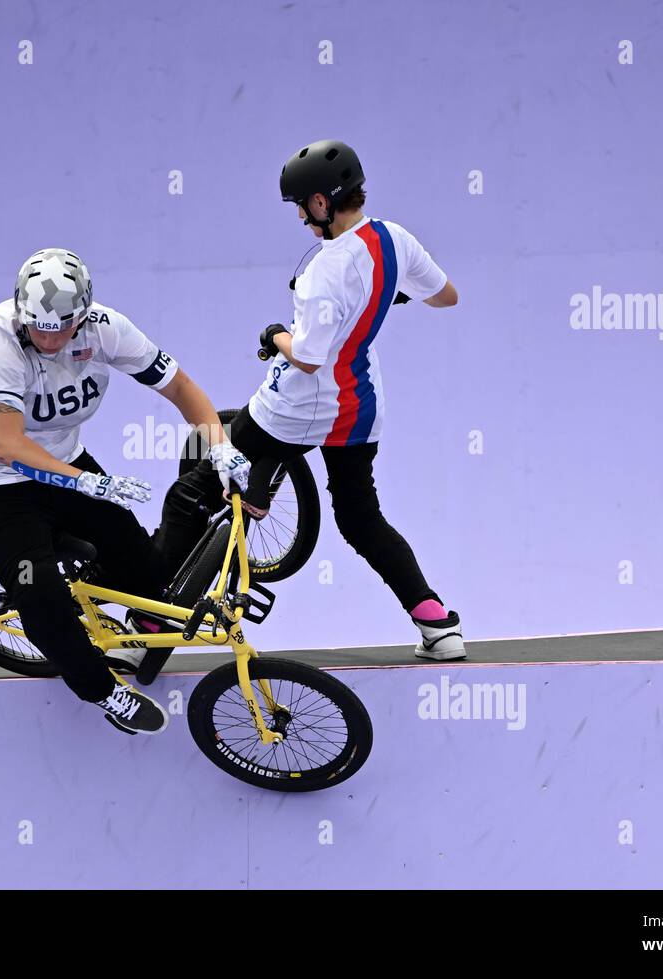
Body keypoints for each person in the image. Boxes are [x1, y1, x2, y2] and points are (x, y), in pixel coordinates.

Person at [154, 139, 467, 660]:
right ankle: (438, 626)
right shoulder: (394, 239)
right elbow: (445, 296)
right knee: (362, 520)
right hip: (359, 409)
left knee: (194, 491)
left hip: (295, 408)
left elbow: (306, 358)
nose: (300, 217)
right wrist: (386, 293)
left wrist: (274, 333)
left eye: (302, 206)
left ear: (323, 202)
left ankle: (147, 624)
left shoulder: (323, 271)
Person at [0, 247, 254, 734]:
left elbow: (180, 389)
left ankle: (109, 603)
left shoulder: (105, 329)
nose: (49, 337)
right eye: (38, 326)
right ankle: (105, 691)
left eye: (62, 327)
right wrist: (87, 482)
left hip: (65, 464)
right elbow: (6, 445)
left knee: (145, 570)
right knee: (40, 593)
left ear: (84, 316)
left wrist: (217, 445)